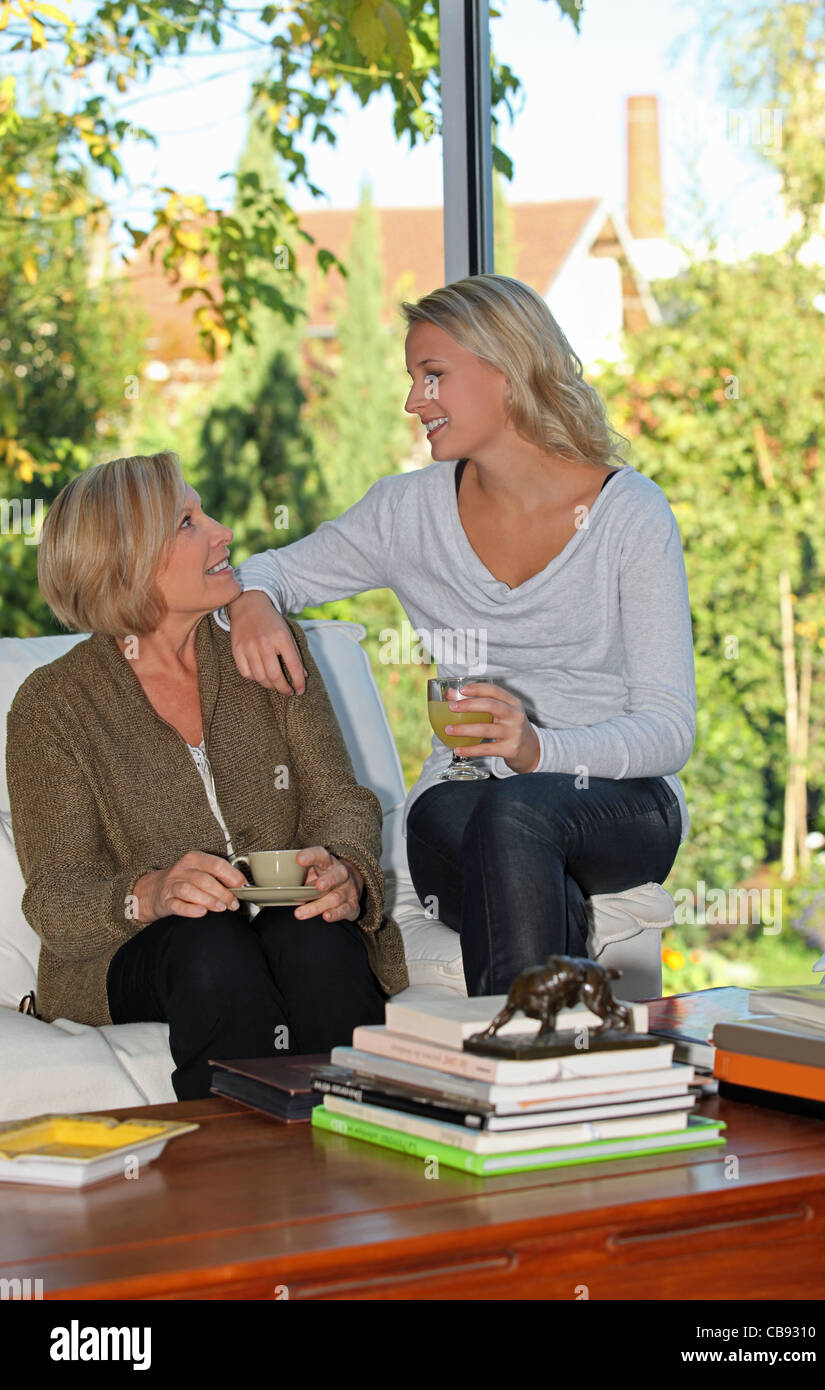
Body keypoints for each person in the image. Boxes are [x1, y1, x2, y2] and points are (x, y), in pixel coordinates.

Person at [220, 274, 696, 996]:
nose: (415, 401)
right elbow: (274, 569)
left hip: (616, 803)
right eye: (414, 379)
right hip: (461, 806)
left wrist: (540, 750)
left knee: (522, 809)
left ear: (506, 373)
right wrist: (254, 597)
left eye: (433, 375)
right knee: (510, 833)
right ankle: (552, 1061)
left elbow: (669, 727)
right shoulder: (405, 513)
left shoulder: (629, 514)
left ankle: (519, 1069)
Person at [5, 452, 407, 1100]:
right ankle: (234, 1185)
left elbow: (338, 797)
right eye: (188, 522)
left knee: (314, 938)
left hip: (276, 927)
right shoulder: (52, 707)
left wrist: (349, 870)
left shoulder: (265, 643)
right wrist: (155, 891)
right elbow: (57, 899)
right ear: (126, 563)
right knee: (210, 941)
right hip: (135, 956)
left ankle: (371, 1150)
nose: (222, 532)